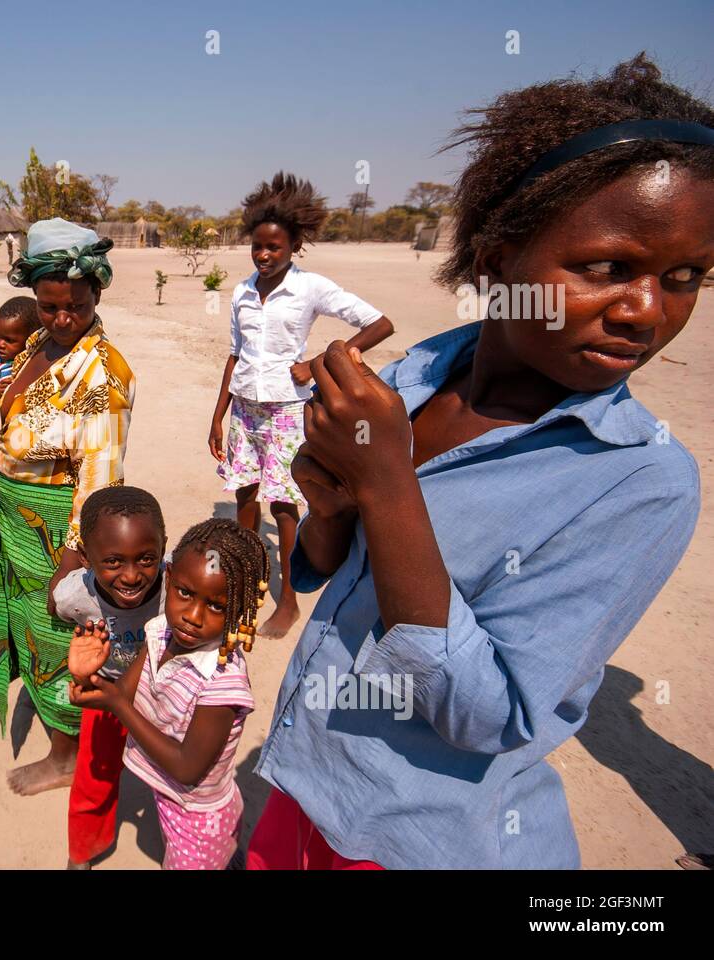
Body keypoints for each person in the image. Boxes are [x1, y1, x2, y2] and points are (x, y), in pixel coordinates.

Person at [247, 53, 713, 870]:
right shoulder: (415, 379)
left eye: (685, 278)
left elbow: (489, 715)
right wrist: (331, 507)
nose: (647, 311)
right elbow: (325, 568)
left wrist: (388, 485)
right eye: (608, 268)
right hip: (304, 780)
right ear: (498, 262)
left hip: (415, 838)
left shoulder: (638, 482)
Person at [208, 171, 393, 640]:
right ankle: (247, 584)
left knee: (285, 506)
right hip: (245, 411)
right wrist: (218, 414)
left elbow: (378, 323)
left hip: (288, 412)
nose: (265, 255)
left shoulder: (311, 288)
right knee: (244, 499)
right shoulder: (241, 292)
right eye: (258, 247)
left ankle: (287, 599)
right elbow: (236, 354)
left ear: (294, 246)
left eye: (274, 247)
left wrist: (317, 361)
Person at [0, 218, 134, 797]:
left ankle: (67, 755)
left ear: (96, 293)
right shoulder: (35, 346)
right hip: (14, 520)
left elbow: (100, 474)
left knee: (58, 640)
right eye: (49, 306)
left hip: (55, 530)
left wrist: (74, 555)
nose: (63, 318)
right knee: (28, 626)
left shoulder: (102, 373)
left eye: (75, 305)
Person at [70, 519, 269, 869]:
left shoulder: (221, 681)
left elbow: (187, 767)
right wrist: (89, 678)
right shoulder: (162, 630)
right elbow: (124, 693)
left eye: (218, 606)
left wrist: (115, 703)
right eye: (185, 593)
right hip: (167, 794)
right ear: (170, 577)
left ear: (244, 608)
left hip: (197, 819)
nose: (192, 616)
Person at [55, 486, 166, 869]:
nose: (133, 576)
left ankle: (197, 841)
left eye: (147, 558)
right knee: (94, 775)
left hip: (163, 693)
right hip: (104, 694)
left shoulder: (175, 587)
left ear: (165, 548)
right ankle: (82, 851)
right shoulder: (76, 596)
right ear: (86, 559)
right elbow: (59, 605)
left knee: (175, 776)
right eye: (113, 562)